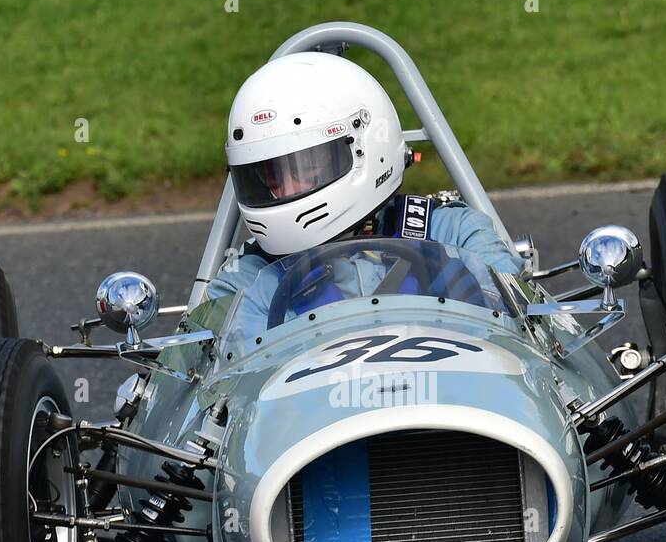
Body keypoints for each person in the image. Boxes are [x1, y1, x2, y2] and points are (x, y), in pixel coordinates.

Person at [207, 51, 524, 335]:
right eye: (269, 175)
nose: (285, 190)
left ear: (366, 149)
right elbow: (227, 383)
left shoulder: (454, 233)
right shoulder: (245, 278)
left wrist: (476, 299)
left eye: (305, 168)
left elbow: (520, 334)